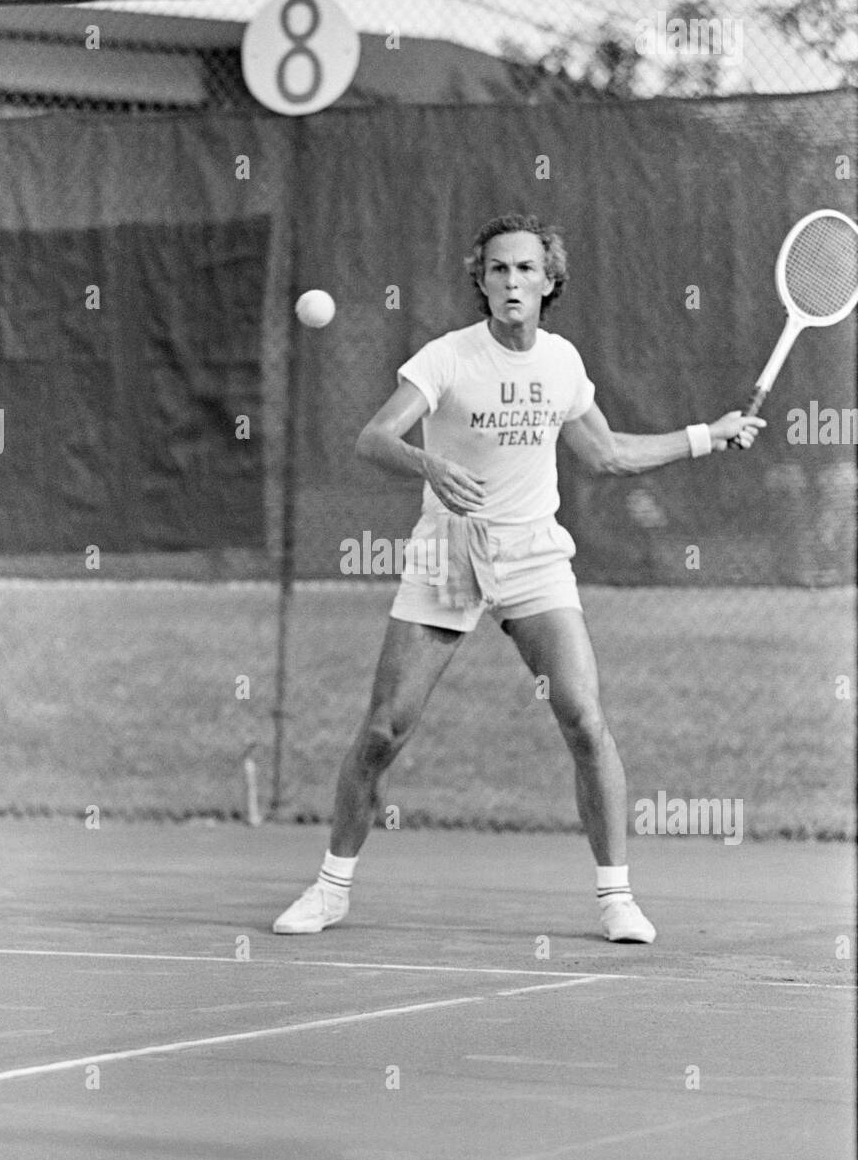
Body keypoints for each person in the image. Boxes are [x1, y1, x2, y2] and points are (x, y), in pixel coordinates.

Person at [273, 213, 764, 942]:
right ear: (480, 280)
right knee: (383, 730)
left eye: (526, 269)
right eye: (498, 269)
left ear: (549, 282)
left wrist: (705, 436)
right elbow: (373, 438)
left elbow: (606, 454)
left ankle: (615, 899)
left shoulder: (562, 362)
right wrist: (429, 463)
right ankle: (331, 888)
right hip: (449, 553)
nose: (511, 281)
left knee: (584, 718)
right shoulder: (445, 358)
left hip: (534, 554)